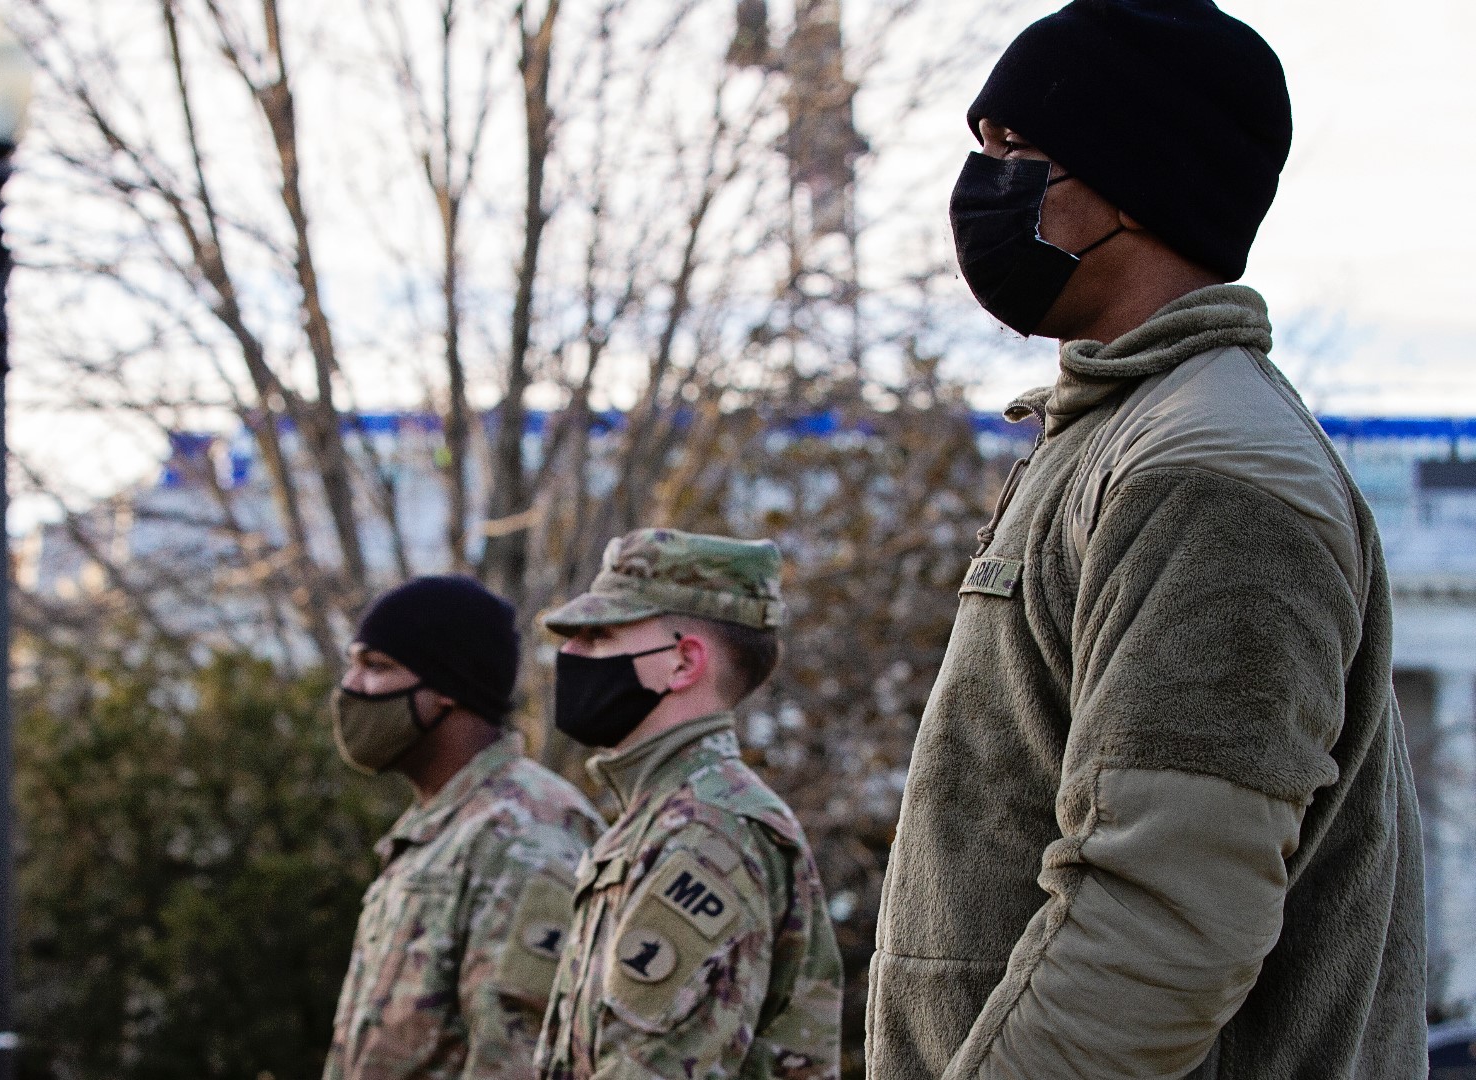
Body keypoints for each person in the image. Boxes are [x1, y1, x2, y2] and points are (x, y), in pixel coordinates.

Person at [867, 2, 1428, 1078]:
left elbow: (1163, 926)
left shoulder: (1213, 471)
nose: (981, 185)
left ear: (1129, 185)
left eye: (1016, 153)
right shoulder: (1123, 438)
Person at [535, 528, 843, 1080]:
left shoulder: (707, 832)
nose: (569, 653)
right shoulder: (658, 819)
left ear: (683, 662)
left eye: (600, 634)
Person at [325, 575, 603, 1080]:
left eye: (376, 666)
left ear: (447, 689)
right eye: (352, 664)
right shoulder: (435, 829)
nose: (351, 686)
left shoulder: (523, 834)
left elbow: (517, 1062)